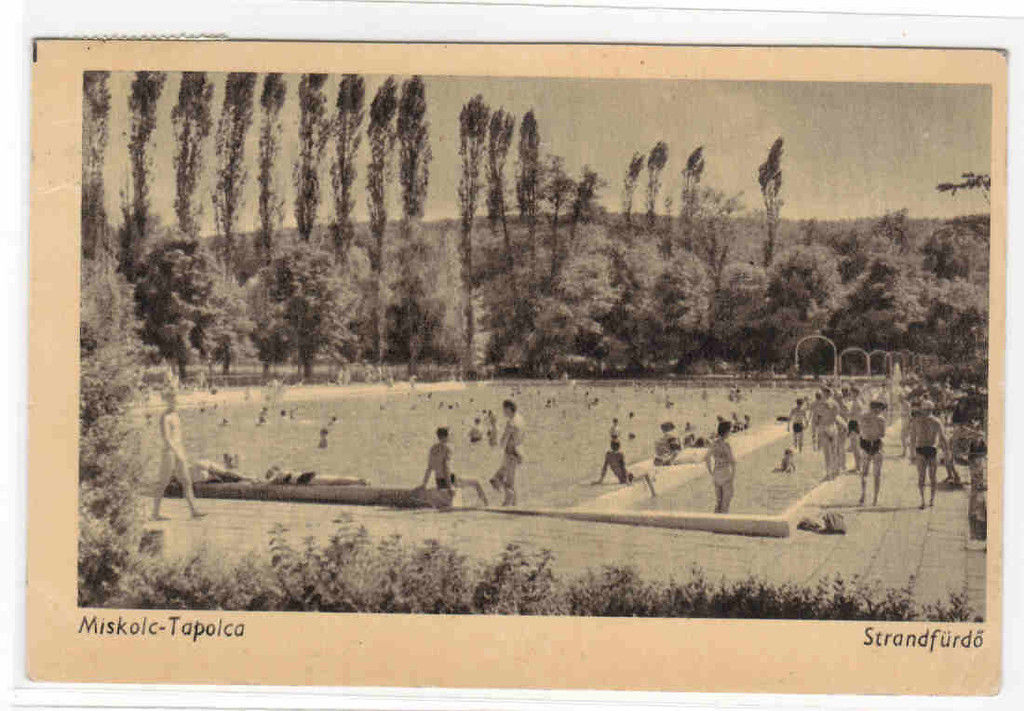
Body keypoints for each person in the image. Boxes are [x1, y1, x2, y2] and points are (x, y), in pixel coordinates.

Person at [151, 388, 205, 520]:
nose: (174, 401)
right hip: (169, 452)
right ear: (167, 400)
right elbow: (167, 438)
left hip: (178, 450)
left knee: (186, 481)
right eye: (172, 399)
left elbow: (178, 437)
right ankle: (155, 513)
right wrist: (177, 453)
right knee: (163, 483)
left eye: (175, 399)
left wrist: (182, 452)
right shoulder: (165, 416)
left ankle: (194, 510)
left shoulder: (175, 415)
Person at [417, 427, 489, 506]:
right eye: (450, 435)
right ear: (446, 436)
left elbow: (429, 468)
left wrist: (424, 484)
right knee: (476, 482)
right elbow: (446, 468)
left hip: (438, 480)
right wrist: (450, 487)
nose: (451, 437)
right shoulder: (447, 448)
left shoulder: (433, 449)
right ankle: (486, 504)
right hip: (450, 479)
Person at [908, 399, 950, 509]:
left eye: (928, 410)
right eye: (925, 410)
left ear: (931, 410)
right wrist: (912, 453)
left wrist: (947, 452)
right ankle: (924, 500)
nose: (926, 412)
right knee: (923, 477)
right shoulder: (918, 421)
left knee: (931, 477)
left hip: (930, 449)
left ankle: (931, 499)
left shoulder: (935, 421)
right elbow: (912, 439)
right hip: (923, 449)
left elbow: (943, 438)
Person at [489, 400, 525, 506]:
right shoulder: (520, 419)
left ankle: (508, 505)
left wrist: (494, 425)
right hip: (519, 452)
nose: (503, 412)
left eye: (504, 409)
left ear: (508, 408)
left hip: (510, 454)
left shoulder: (511, 423)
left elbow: (501, 443)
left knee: (499, 481)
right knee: (510, 483)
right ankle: (514, 507)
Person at [857, 400, 888, 506]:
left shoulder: (863, 416)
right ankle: (875, 497)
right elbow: (882, 434)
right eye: (879, 409)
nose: (880, 411)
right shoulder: (881, 419)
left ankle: (864, 494)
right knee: (876, 474)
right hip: (876, 444)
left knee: (864, 472)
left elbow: (860, 429)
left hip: (866, 443)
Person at [705, 420, 737, 513]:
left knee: (718, 503)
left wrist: (711, 471)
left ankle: (715, 524)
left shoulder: (713, 444)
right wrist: (733, 475)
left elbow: (707, 458)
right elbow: (732, 461)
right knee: (725, 504)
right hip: (726, 472)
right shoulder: (726, 444)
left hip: (716, 473)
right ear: (726, 432)